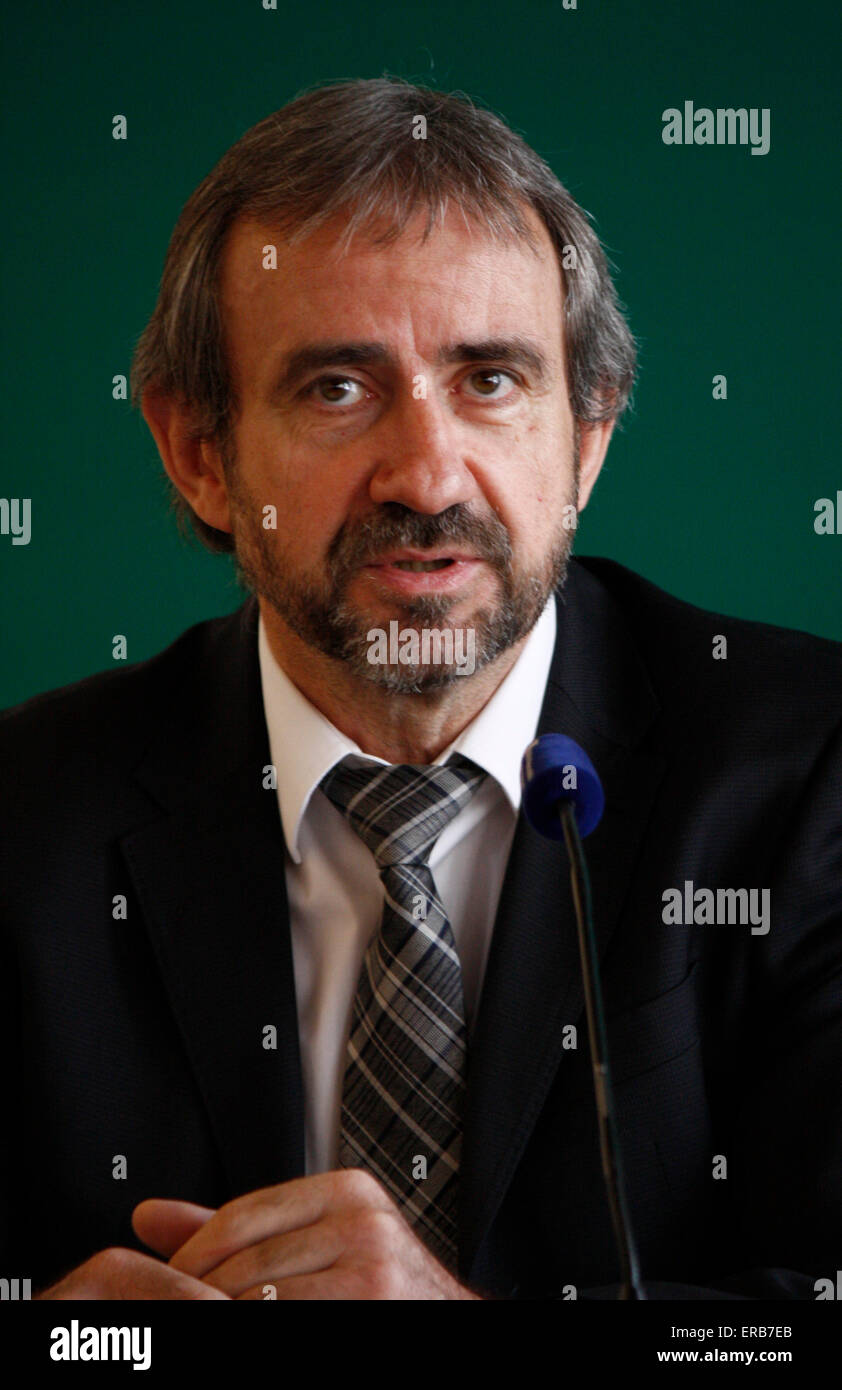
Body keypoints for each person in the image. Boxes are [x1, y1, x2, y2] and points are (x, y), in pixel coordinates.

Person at [2, 78, 840, 1302]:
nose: (426, 473)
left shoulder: (811, 771)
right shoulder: (24, 821)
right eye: (336, 388)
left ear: (587, 438)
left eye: (490, 380)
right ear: (201, 456)